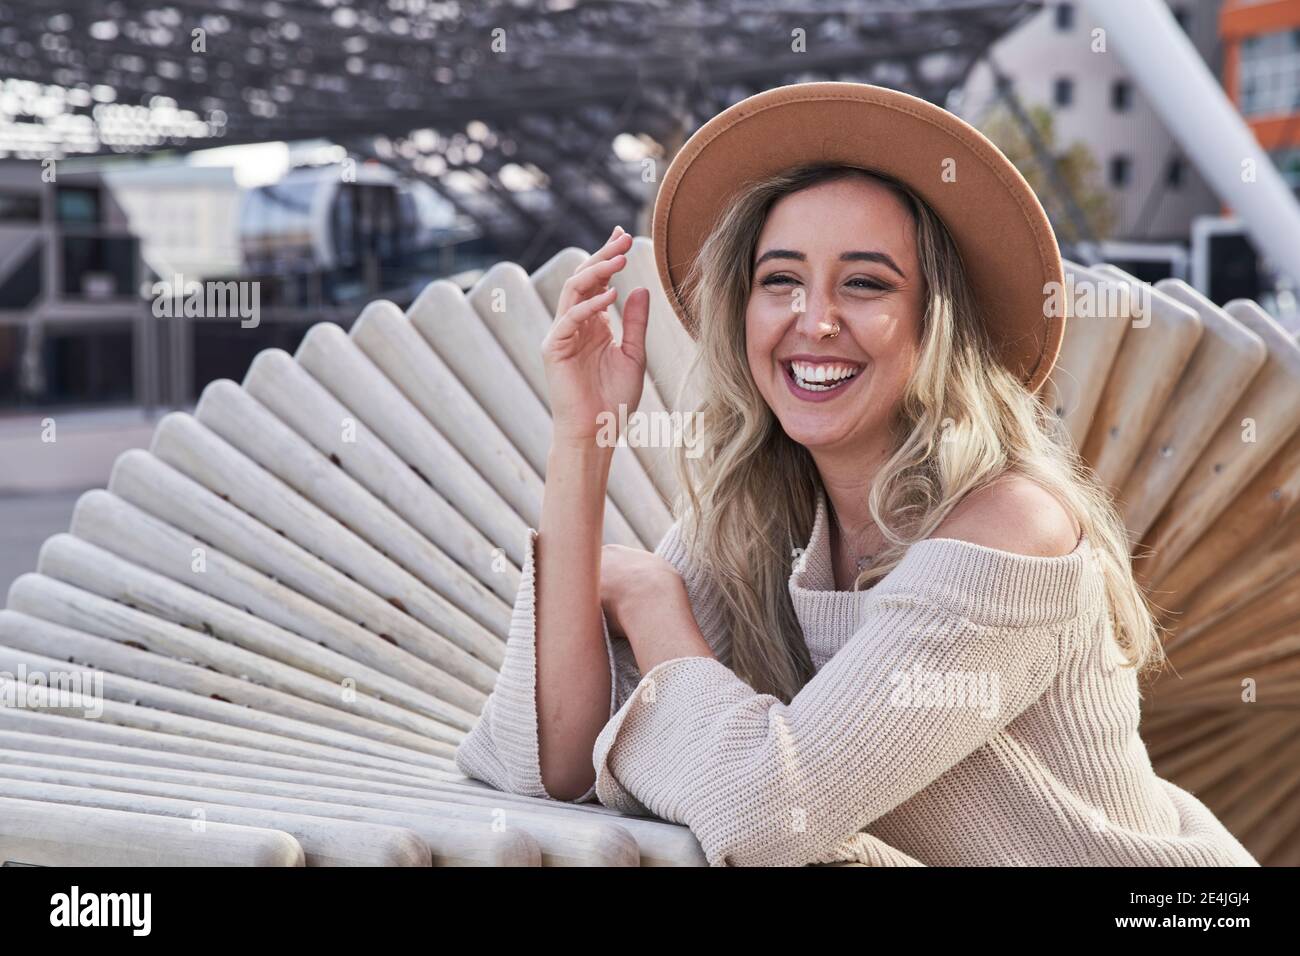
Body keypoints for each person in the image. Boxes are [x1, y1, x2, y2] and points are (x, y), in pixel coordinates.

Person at [454, 82, 1259, 867]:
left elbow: (768, 813)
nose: (816, 320)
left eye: (866, 283)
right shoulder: (762, 517)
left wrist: (652, 600)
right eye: (781, 281)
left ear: (936, 321)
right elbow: (556, 759)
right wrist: (584, 439)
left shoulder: (1011, 526)